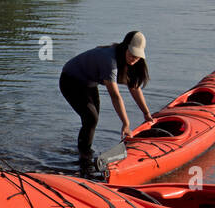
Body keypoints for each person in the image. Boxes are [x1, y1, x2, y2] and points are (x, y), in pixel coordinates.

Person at [59, 31, 153, 179]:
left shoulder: (132, 61)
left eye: (137, 56)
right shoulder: (110, 60)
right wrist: (126, 124)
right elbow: (115, 96)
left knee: (92, 120)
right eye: (132, 54)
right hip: (70, 80)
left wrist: (147, 114)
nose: (134, 59)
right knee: (91, 118)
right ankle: (84, 160)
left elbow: (135, 88)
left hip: (88, 83)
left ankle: (85, 154)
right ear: (124, 47)